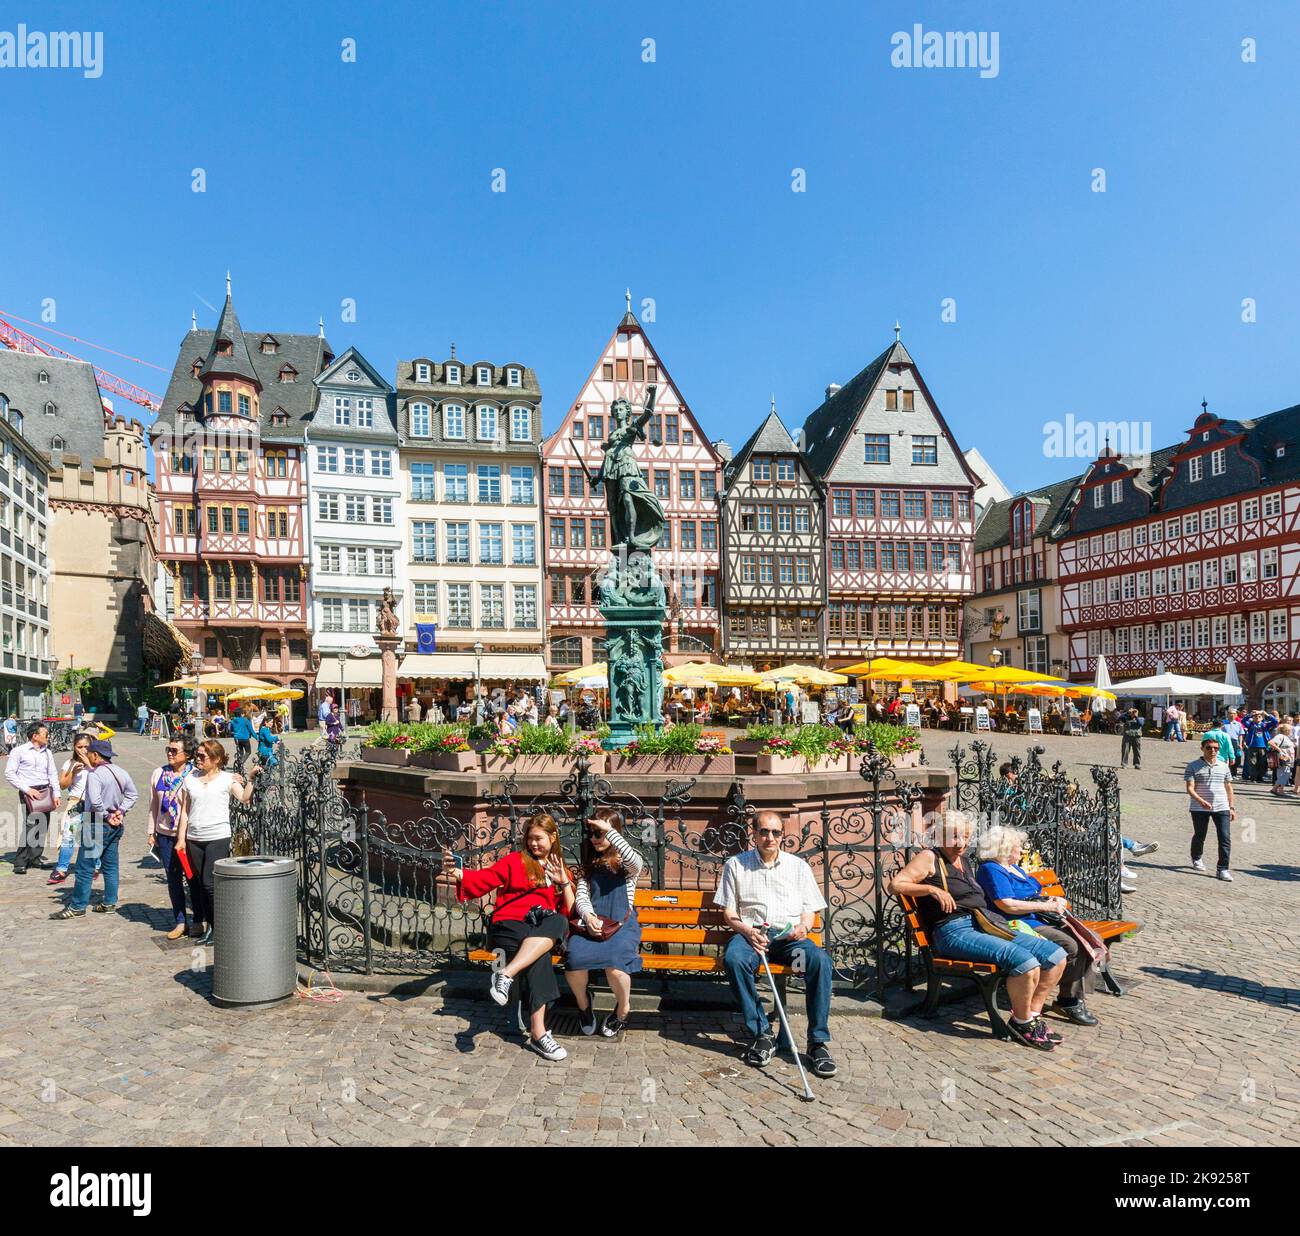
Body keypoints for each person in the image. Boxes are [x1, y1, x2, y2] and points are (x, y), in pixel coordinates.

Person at [891, 810, 1068, 1050]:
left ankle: (1031, 1015)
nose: (961, 843)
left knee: (1056, 956)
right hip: (953, 930)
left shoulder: (963, 860)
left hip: (985, 923)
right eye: (954, 837)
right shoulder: (929, 857)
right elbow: (896, 884)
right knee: (1025, 963)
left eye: (965, 836)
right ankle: (1022, 1022)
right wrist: (933, 890)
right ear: (939, 836)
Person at [442, 813, 575, 1062]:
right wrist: (459, 873)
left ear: (553, 837)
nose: (533, 843)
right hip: (509, 924)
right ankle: (539, 1034)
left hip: (540, 928)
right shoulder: (515, 861)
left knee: (557, 921)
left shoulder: (560, 869)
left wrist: (564, 883)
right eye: (530, 838)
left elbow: (570, 912)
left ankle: (505, 974)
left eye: (539, 838)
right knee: (540, 956)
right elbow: (486, 879)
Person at [715, 810, 837, 1078]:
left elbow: (810, 910)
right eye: (764, 832)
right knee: (734, 960)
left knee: (819, 962)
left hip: (788, 942)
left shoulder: (798, 867)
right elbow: (729, 913)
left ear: (783, 835)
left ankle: (817, 1043)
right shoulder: (736, 865)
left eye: (776, 832)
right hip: (752, 938)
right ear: (754, 834)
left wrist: (803, 927)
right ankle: (762, 1033)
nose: (770, 838)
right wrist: (747, 930)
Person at [975, 825, 1100, 1026]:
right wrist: (1045, 906)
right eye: (1018, 846)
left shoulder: (1014, 868)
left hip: (1038, 918)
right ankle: (1068, 1000)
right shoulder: (992, 869)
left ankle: (1071, 998)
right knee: (1071, 945)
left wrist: (1051, 900)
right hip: (1017, 925)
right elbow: (1007, 904)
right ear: (1005, 848)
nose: (1022, 850)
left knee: (1090, 938)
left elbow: (1033, 892)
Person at [565, 808, 644, 1037]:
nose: (594, 838)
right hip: (593, 924)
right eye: (591, 833)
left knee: (616, 966)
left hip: (621, 925)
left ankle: (622, 1009)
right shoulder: (589, 866)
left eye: (599, 833)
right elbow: (582, 896)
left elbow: (635, 862)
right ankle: (584, 1005)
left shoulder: (627, 865)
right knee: (574, 960)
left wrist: (609, 831)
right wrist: (588, 917)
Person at [175, 740, 259, 945]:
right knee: (199, 885)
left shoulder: (227, 779)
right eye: (198, 755)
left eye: (203, 756)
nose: (198, 759)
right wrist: (181, 838)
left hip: (217, 836)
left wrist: (251, 779)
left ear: (216, 759)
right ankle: (211, 926)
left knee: (209, 883)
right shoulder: (190, 779)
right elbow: (185, 811)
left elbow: (244, 798)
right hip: (194, 837)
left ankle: (220, 926)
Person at [51, 739, 139, 919]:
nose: (87, 755)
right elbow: (132, 795)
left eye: (90, 752)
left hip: (97, 823)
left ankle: (77, 906)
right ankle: (109, 902)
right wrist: (120, 811)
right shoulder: (120, 771)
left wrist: (107, 815)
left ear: (96, 755)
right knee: (111, 866)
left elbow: (96, 801)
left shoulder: (95, 774)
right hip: (115, 823)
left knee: (85, 867)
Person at [147, 736, 196, 938]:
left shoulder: (194, 775)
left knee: (194, 878)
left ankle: (200, 919)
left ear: (187, 755)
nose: (169, 753)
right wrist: (151, 832)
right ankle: (180, 921)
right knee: (173, 879)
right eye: (169, 749)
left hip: (190, 835)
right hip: (165, 834)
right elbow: (153, 806)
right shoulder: (159, 773)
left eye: (175, 751)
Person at [5, 722, 61, 874]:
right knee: (30, 825)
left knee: (43, 825)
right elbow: (10, 773)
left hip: (45, 791)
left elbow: (52, 774)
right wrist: (27, 789)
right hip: (29, 792)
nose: (47, 737)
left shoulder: (47, 752)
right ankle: (20, 861)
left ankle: (35, 858)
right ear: (35, 736)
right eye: (45, 734)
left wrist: (56, 794)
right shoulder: (19, 751)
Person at [1185, 736, 1236, 882]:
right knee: (1200, 835)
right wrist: (1201, 801)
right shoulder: (1193, 766)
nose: (1213, 751)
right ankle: (1196, 858)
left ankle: (1223, 869)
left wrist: (1231, 807)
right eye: (1209, 748)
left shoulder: (1223, 766)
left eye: (1216, 748)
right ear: (1202, 748)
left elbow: (1229, 788)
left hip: (1222, 806)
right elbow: (1189, 788)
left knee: (1225, 838)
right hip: (1199, 807)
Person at [48, 734, 95, 886]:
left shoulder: (98, 762)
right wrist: (73, 772)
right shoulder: (70, 763)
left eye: (86, 746)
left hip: (94, 805)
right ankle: (61, 868)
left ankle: (95, 867)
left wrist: (89, 763)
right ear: (74, 747)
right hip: (76, 805)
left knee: (93, 837)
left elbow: (102, 777)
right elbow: (62, 785)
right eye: (79, 747)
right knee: (69, 835)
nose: (82, 750)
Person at [1243, 710, 1275, 783]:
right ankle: (1253, 778)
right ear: (1253, 718)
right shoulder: (1250, 725)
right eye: (1255, 716)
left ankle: (1260, 777)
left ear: (1262, 718)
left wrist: (1267, 714)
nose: (1257, 717)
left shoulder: (1265, 725)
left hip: (1263, 746)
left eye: (1259, 716)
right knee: (1253, 762)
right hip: (1252, 746)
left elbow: (1275, 722)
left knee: (1262, 763)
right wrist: (1250, 714)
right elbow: (1243, 721)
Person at [1267, 721, 1295, 796]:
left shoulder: (1286, 737)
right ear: (1287, 730)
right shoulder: (1280, 736)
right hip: (1283, 758)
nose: (1292, 732)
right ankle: (1280, 790)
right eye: (1291, 730)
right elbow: (1270, 743)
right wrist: (1279, 750)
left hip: (1287, 759)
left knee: (1286, 774)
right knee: (1284, 774)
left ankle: (1275, 789)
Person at [1224, 710, 1245, 776]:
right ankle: (1227, 773)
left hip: (1235, 742)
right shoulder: (1224, 723)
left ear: (1236, 715)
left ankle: (1234, 772)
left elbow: (1240, 735)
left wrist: (1241, 744)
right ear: (1227, 715)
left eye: (1233, 714)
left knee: (1237, 757)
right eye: (1230, 714)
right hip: (1226, 742)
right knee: (1227, 757)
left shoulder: (1238, 724)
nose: (1232, 715)